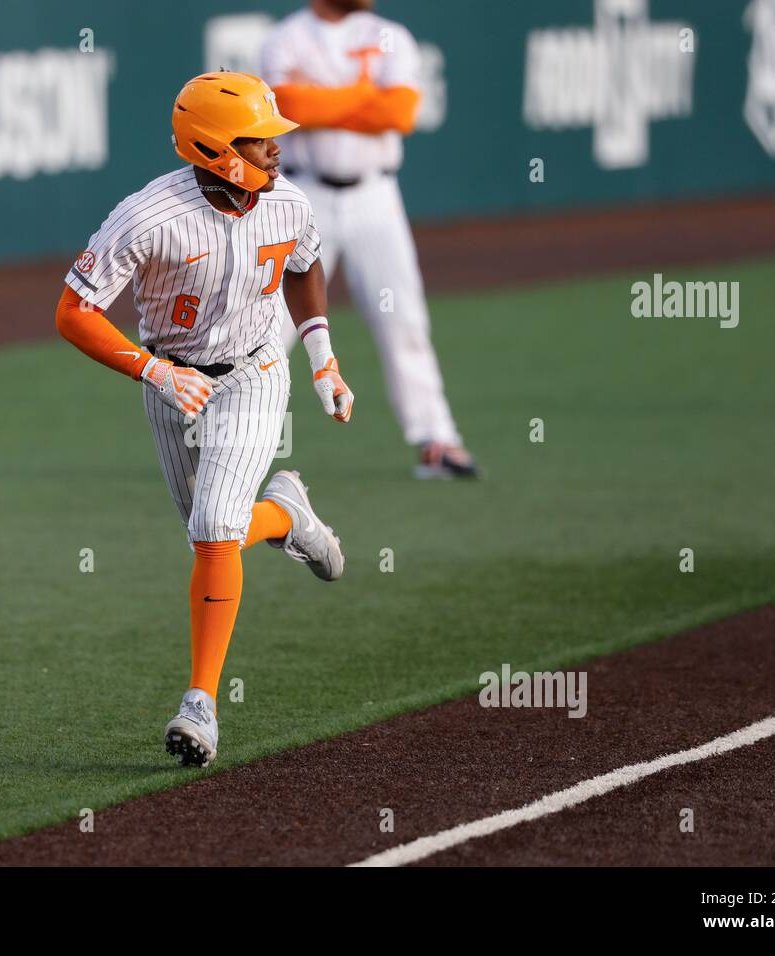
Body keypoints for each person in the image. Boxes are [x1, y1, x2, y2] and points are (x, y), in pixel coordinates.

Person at [55, 72, 354, 766]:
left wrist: (324, 360)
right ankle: (287, 515)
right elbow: (73, 313)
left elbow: (305, 267)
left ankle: (201, 705)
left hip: (254, 371)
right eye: (261, 140)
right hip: (169, 381)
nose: (278, 151)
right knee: (208, 530)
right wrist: (152, 370)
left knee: (215, 526)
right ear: (217, 149)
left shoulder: (287, 202)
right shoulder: (149, 215)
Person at [262, 0, 479, 478]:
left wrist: (326, 101)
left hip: (376, 197)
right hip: (303, 194)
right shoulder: (286, 37)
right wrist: (363, 99)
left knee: (403, 319)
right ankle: (229, 437)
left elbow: (401, 112)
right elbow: (291, 108)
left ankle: (436, 440)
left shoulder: (390, 35)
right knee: (268, 325)